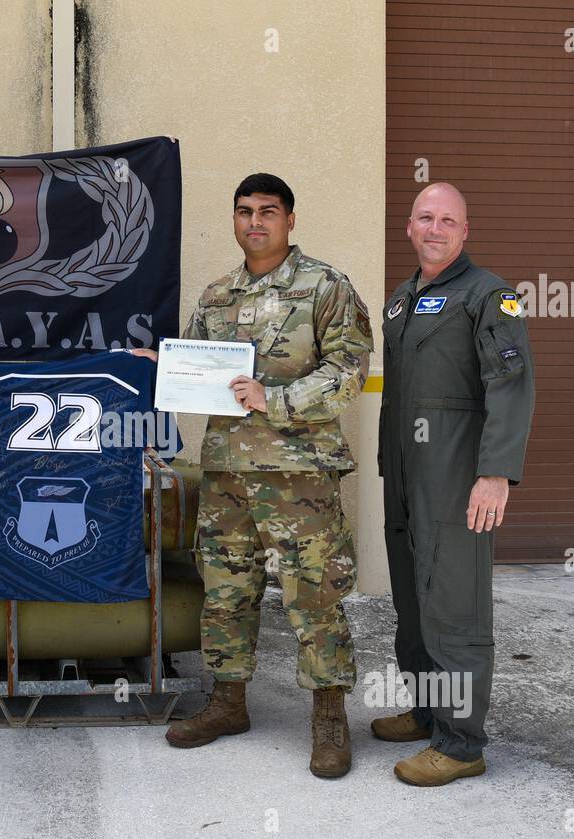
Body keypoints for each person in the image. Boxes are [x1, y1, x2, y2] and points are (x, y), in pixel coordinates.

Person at [138, 173, 373, 778]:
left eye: (268, 211)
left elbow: (347, 373)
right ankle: (227, 703)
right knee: (225, 593)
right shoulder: (218, 296)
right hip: (228, 477)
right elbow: (195, 367)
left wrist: (276, 400)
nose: (255, 222)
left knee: (314, 598)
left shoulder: (326, 287)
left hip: (300, 479)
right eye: (244, 212)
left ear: (290, 219)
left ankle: (328, 717)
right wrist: (163, 364)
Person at [375, 182, 536, 786]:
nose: (435, 228)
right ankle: (427, 712)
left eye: (448, 220)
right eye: (425, 217)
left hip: (456, 476)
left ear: (464, 231)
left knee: (455, 607)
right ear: (409, 227)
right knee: (414, 603)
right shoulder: (402, 299)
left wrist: (495, 474)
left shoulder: (491, 297)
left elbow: (511, 387)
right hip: (407, 476)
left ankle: (462, 743)